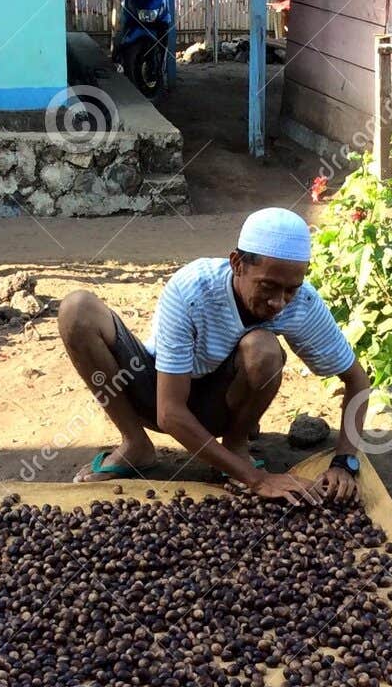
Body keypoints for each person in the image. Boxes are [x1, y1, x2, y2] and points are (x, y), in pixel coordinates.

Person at [56, 207, 370, 504]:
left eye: (291, 289)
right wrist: (257, 479)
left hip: (220, 408)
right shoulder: (193, 289)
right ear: (237, 263)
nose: (279, 302)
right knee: (77, 309)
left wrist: (345, 462)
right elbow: (169, 412)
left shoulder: (302, 304)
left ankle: (235, 446)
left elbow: (357, 380)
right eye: (267, 286)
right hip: (157, 394)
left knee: (264, 348)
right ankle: (135, 444)